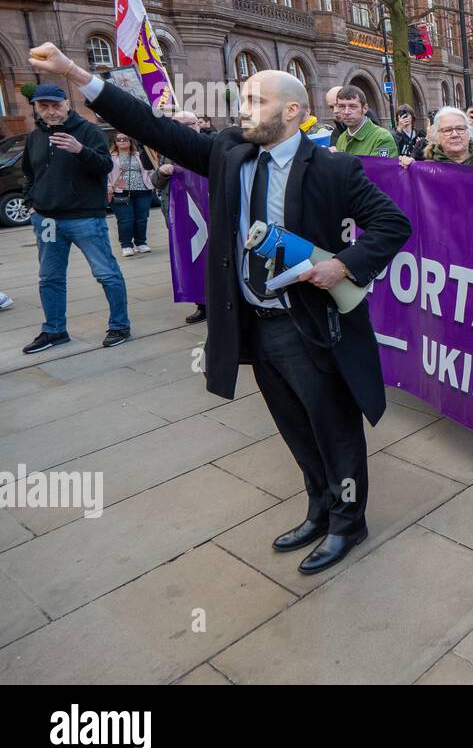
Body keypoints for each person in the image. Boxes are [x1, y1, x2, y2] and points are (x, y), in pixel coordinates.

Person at [30, 41, 411, 575]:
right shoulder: (228, 152)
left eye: (255, 102)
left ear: (293, 112)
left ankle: (349, 522)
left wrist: (344, 266)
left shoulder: (334, 169)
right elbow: (152, 127)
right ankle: (320, 507)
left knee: (334, 428)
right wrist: (73, 73)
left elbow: (393, 225)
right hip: (255, 325)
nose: (241, 111)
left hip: (311, 325)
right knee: (294, 426)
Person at [20, 82, 131, 354]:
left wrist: (79, 149)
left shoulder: (89, 131)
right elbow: (28, 173)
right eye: (43, 106)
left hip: (84, 218)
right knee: (49, 278)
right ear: (36, 108)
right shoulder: (35, 137)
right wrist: (31, 203)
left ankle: (120, 325)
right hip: (46, 220)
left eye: (56, 105)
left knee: (106, 273)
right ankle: (54, 330)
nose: (50, 112)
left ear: (67, 103)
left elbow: (105, 166)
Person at [152, 110, 208, 325]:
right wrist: (162, 173)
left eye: (190, 124)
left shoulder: (209, 146)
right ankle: (201, 304)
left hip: (208, 216)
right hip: (179, 218)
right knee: (189, 257)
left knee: (211, 259)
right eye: (179, 125)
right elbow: (155, 182)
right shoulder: (167, 150)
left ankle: (219, 303)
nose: (185, 129)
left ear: (198, 125)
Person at [402, 106, 473, 169]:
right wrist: (408, 169)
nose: (455, 134)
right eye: (447, 130)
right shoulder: (428, 169)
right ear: (437, 136)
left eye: (460, 128)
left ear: (468, 132)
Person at [106, 133, 155, 256]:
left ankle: (141, 243)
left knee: (141, 219)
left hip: (142, 190)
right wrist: (107, 185)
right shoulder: (110, 157)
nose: (122, 141)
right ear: (115, 142)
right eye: (119, 139)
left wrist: (151, 183)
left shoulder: (139, 155)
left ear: (130, 141)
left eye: (125, 139)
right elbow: (103, 172)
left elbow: (149, 170)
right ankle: (126, 245)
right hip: (120, 191)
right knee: (125, 220)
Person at [332, 87, 396, 157]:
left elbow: (379, 167)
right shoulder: (341, 138)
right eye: (342, 106)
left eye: (353, 106)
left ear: (365, 108)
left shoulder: (382, 137)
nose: (346, 112)